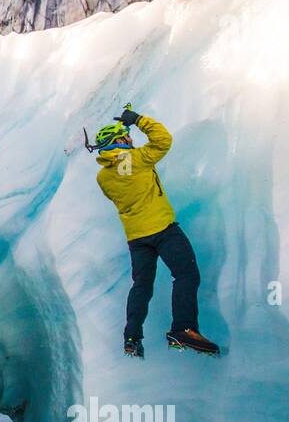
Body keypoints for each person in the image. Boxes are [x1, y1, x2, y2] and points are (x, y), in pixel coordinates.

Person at [86, 104, 220, 358]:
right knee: (186, 275)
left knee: (142, 286)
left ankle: (132, 338)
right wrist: (136, 119)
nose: (130, 140)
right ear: (119, 141)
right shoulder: (134, 160)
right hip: (162, 229)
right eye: (126, 138)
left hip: (137, 238)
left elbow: (121, 173)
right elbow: (162, 140)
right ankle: (184, 329)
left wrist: (125, 146)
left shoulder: (103, 177)